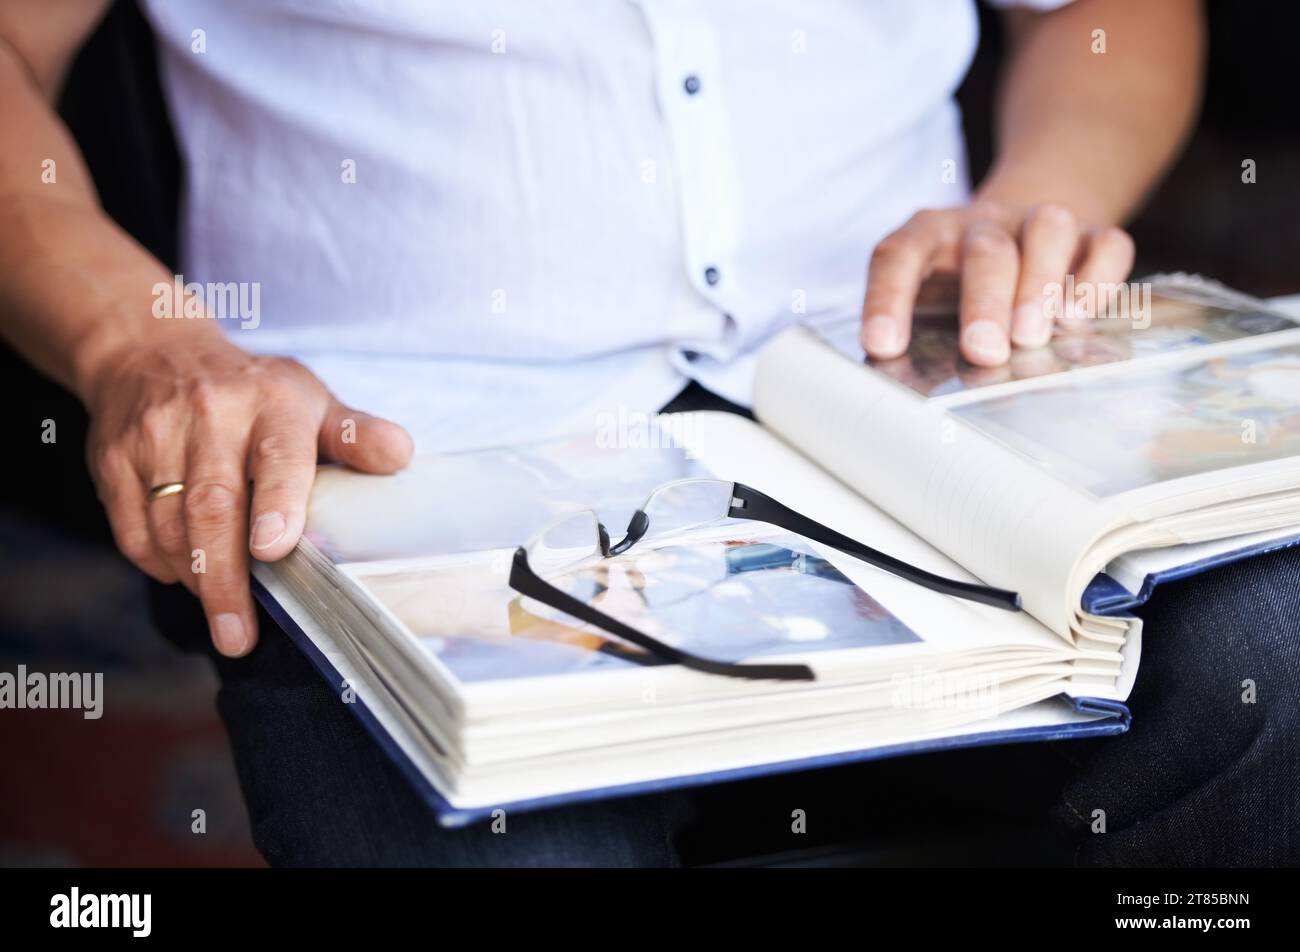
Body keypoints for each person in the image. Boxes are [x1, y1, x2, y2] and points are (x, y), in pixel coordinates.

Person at [6, 0, 1295, 866]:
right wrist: (135, 338)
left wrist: (1037, 202)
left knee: (1276, 680)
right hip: (406, 450)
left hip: (909, 388)